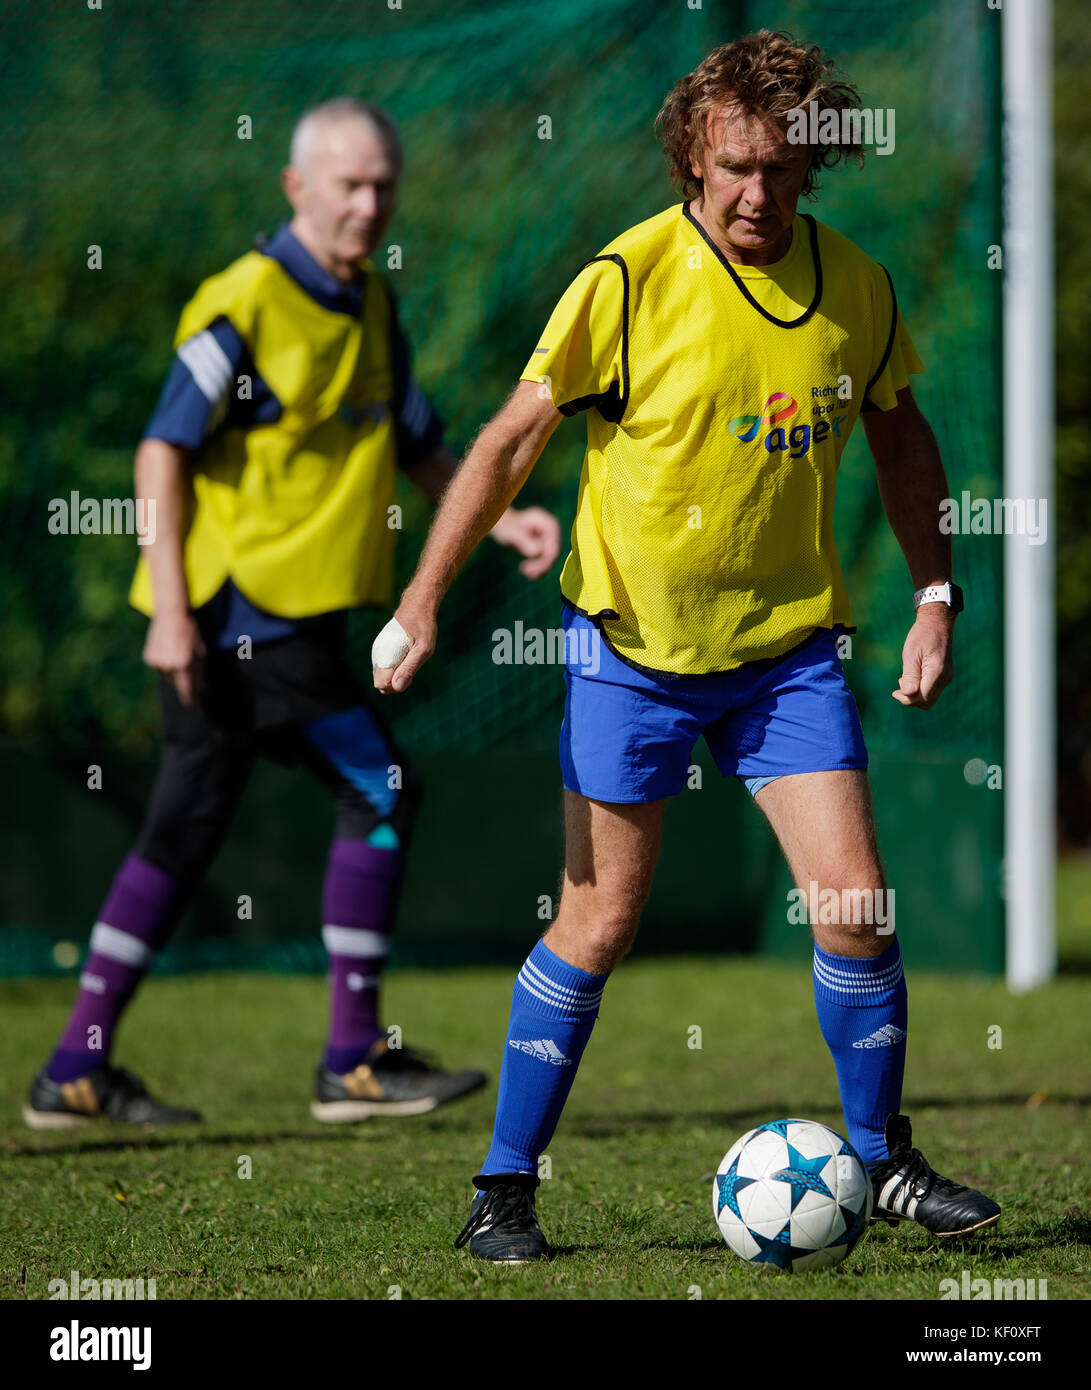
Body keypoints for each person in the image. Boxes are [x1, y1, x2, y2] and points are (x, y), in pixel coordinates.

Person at [372, 32, 1001, 1260]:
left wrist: (934, 592)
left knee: (857, 909)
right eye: (733, 166)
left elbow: (903, 433)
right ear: (691, 162)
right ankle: (503, 1188)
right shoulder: (625, 278)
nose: (756, 191)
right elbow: (507, 439)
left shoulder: (855, 287)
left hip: (784, 660)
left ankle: (878, 1163)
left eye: (778, 164)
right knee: (596, 925)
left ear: (810, 165)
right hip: (631, 653)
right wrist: (423, 597)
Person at [25, 98, 560, 1130]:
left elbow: (418, 445)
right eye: (348, 184)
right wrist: (171, 611)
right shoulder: (245, 301)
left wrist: (500, 521)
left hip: (287, 619)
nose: (367, 204)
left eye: (382, 186)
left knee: (182, 827)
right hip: (240, 616)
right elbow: (159, 449)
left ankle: (74, 1068)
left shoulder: (368, 302)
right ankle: (353, 1059)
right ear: (295, 187)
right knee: (380, 784)